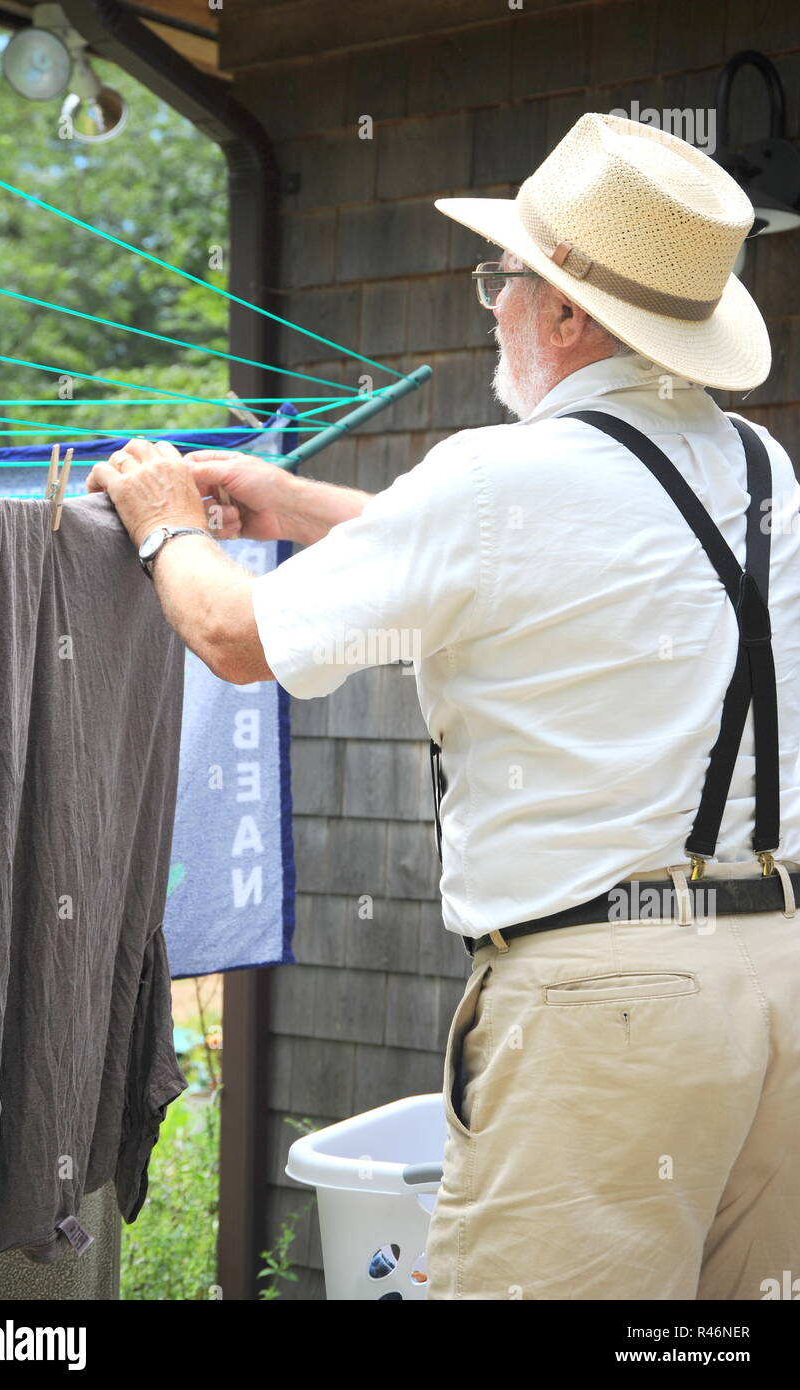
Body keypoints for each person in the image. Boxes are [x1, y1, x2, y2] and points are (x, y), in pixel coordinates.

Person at [87, 112, 800, 1301]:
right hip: (776, 984)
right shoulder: (765, 472)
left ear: (565, 312)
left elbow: (236, 635)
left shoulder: (492, 475)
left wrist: (163, 517)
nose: (491, 305)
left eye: (501, 278)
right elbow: (555, 565)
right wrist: (298, 505)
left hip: (603, 1011)